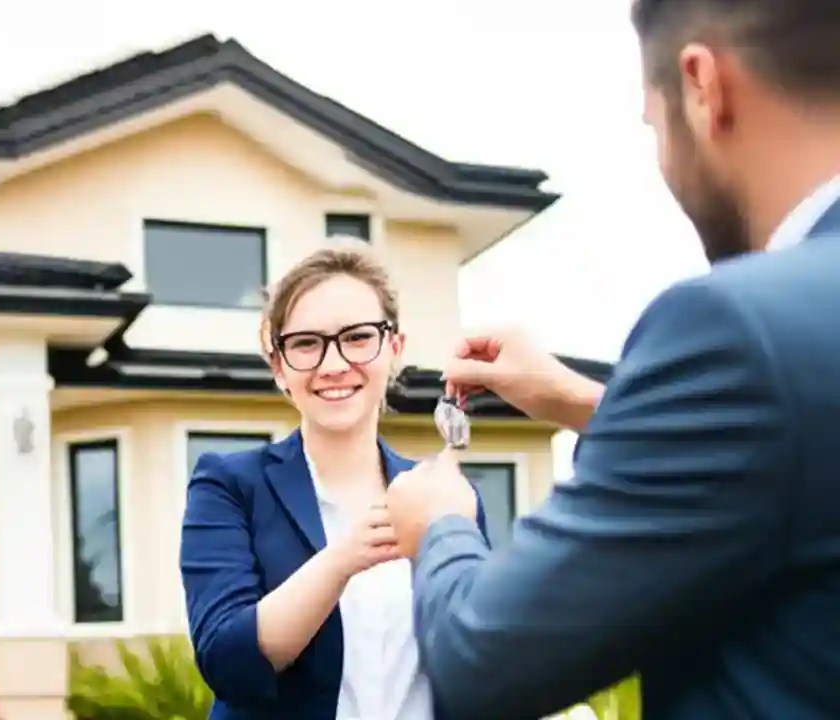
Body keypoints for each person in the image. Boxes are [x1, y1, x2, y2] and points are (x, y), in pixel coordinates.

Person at [383, 1, 840, 718]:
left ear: (702, 86)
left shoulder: (731, 325)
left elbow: (482, 660)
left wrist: (441, 526)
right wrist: (581, 401)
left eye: (653, 124)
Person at [179, 247, 489, 720]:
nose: (334, 364)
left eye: (358, 337)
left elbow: (481, 659)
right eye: (306, 343)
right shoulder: (229, 485)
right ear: (279, 365)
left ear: (395, 348)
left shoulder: (442, 495)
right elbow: (228, 660)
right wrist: (343, 559)